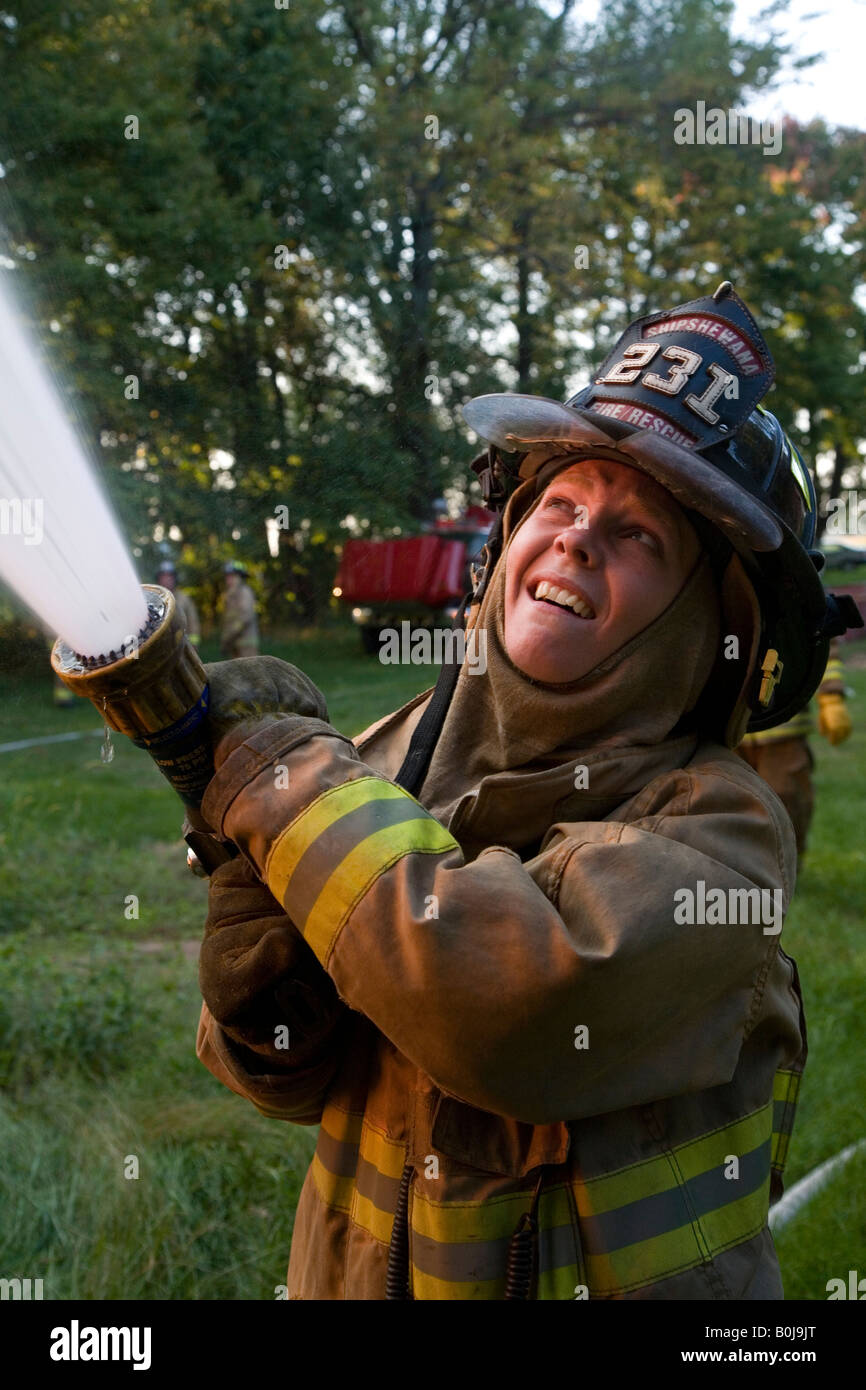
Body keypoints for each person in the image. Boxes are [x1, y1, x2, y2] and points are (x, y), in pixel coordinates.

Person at [191, 284, 861, 1300]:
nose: (577, 538)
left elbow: (501, 1012)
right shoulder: (395, 752)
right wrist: (261, 1015)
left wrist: (280, 782)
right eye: (558, 503)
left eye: (638, 537)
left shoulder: (722, 835)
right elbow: (289, 1081)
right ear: (504, 541)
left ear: (702, 625)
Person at [737, 639, 851, 864]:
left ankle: (785, 865)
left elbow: (818, 635)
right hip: (726, 728)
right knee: (727, 801)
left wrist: (831, 696)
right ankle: (736, 867)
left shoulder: (797, 602)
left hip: (784, 726)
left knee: (787, 797)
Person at [156, 561, 201, 647]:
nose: (166, 580)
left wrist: (193, 645)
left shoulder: (184, 599)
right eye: (163, 577)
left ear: (174, 579)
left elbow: (193, 622)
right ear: (159, 579)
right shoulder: (154, 599)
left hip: (182, 647)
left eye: (169, 577)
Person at [220, 562, 260, 658]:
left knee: (249, 672)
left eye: (233, 576)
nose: (229, 580)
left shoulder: (245, 592)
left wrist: (229, 635)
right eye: (227, 576)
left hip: (246, 646)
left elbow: (245, 617)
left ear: (240, 578)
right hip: (234, 646)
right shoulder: (230, 595)